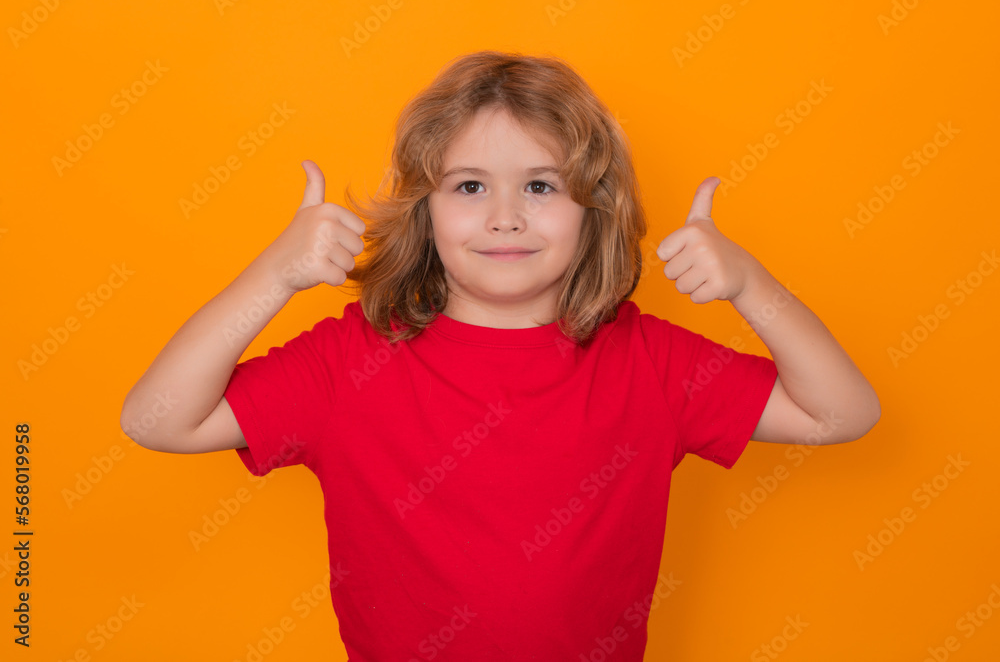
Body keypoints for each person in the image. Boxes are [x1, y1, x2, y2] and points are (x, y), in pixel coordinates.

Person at [121, 50, 879, 661]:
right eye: (471, 185)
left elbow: (844, 410)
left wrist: (751, 284)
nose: (506, 216)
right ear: (425, 207)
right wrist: (273, 274)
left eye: (541, 186)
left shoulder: (650, 361)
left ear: (595, 210)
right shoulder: (349, 360)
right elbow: (157, 419)